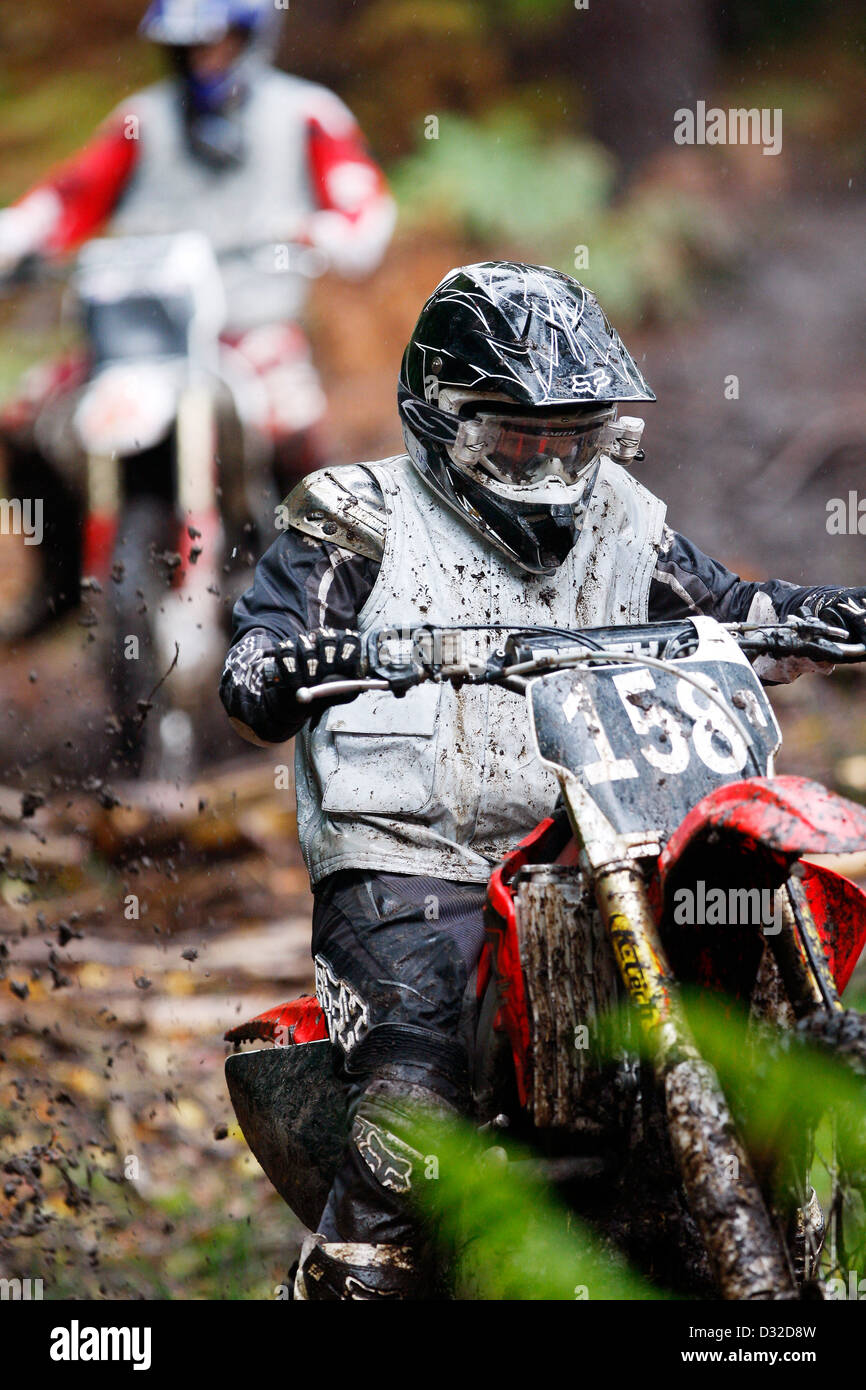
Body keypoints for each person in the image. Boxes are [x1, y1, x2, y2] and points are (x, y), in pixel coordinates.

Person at [219, 260, 866, 1299]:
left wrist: (827, 617)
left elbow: (730, 610)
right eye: (522, 436)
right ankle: (352, 1268)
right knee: (418, 1086)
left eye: (576, 436)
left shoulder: (620, 516)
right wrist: (331, 660)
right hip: (412, 862)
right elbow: (257, 669)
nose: (553, 465)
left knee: (743, 974)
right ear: (443, 415)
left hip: (603, 839)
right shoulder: (355, 515)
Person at [0, 0, 395, 639]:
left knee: (295, 427)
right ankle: (58, 575)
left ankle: (319, 594)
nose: (202, 58)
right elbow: (68, 197)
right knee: (27, 417)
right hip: (135, 340)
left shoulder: (306, 113)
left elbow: (360, 199)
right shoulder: (139, 121)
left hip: (249, 328)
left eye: (215, 43)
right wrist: (17, 235)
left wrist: (336, 229)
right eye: (188, 47)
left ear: (249, 38)